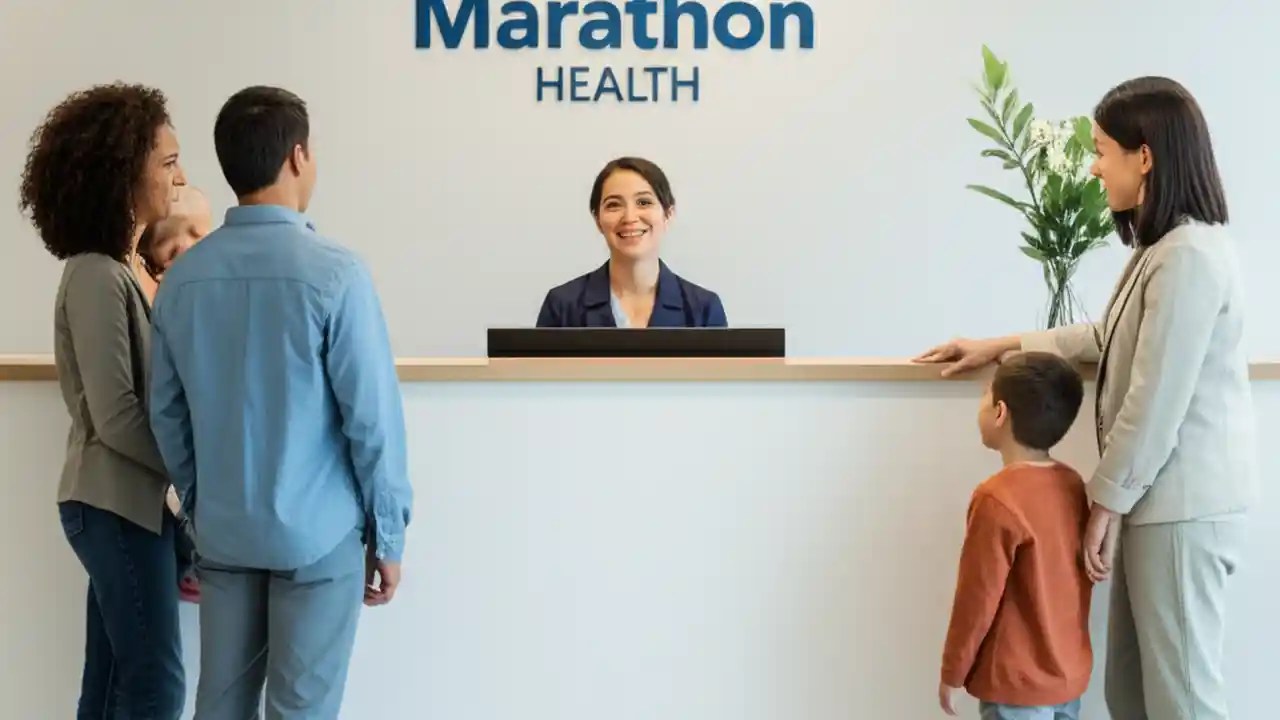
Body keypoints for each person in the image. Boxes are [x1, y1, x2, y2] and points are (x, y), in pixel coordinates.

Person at [917, 76, 1255, 719]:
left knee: (1181, 699)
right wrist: (1004, 344)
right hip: (1158, 503)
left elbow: (1156, 398)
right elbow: (1107, 338)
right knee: (1132, 694)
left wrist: (1103, 502)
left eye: (1103, 150)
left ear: (1145, 155)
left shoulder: (1189, 256)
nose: (1095, 166)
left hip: (1183, 508)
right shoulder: (1162, 250)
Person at [148, 85, 412, 719]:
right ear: (298, 157)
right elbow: (370, 420)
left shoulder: (182, 278)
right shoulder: (336, 273)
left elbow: (167, 413)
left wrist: (202, 505)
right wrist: (390, 535)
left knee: (220, 705)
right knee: (301, 711)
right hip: (318, 539)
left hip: (227, 533)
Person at [20, 82, 187, 718]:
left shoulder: (114, 269)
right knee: (154, 684)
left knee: (113, 679)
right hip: (111, 506)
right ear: (124, 173)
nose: (179, 178)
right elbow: (117, 416)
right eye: (168, 163)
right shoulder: (95, 273)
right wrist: (186, 478)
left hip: (123, 507)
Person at [938, 352, 1092, 719]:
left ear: (1000, 413)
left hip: (1015, 687)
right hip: (1068, 679)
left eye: (984, 396)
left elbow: (976, 597)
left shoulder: (996, 499)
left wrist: (952, 671)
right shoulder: (1072, 485)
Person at [536, 156, 727, 328]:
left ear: (668, 214)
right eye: (614, 205)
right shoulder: (561, 305)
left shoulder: (704, 309)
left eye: (643, 202)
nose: (629, 217)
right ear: (597, 220)